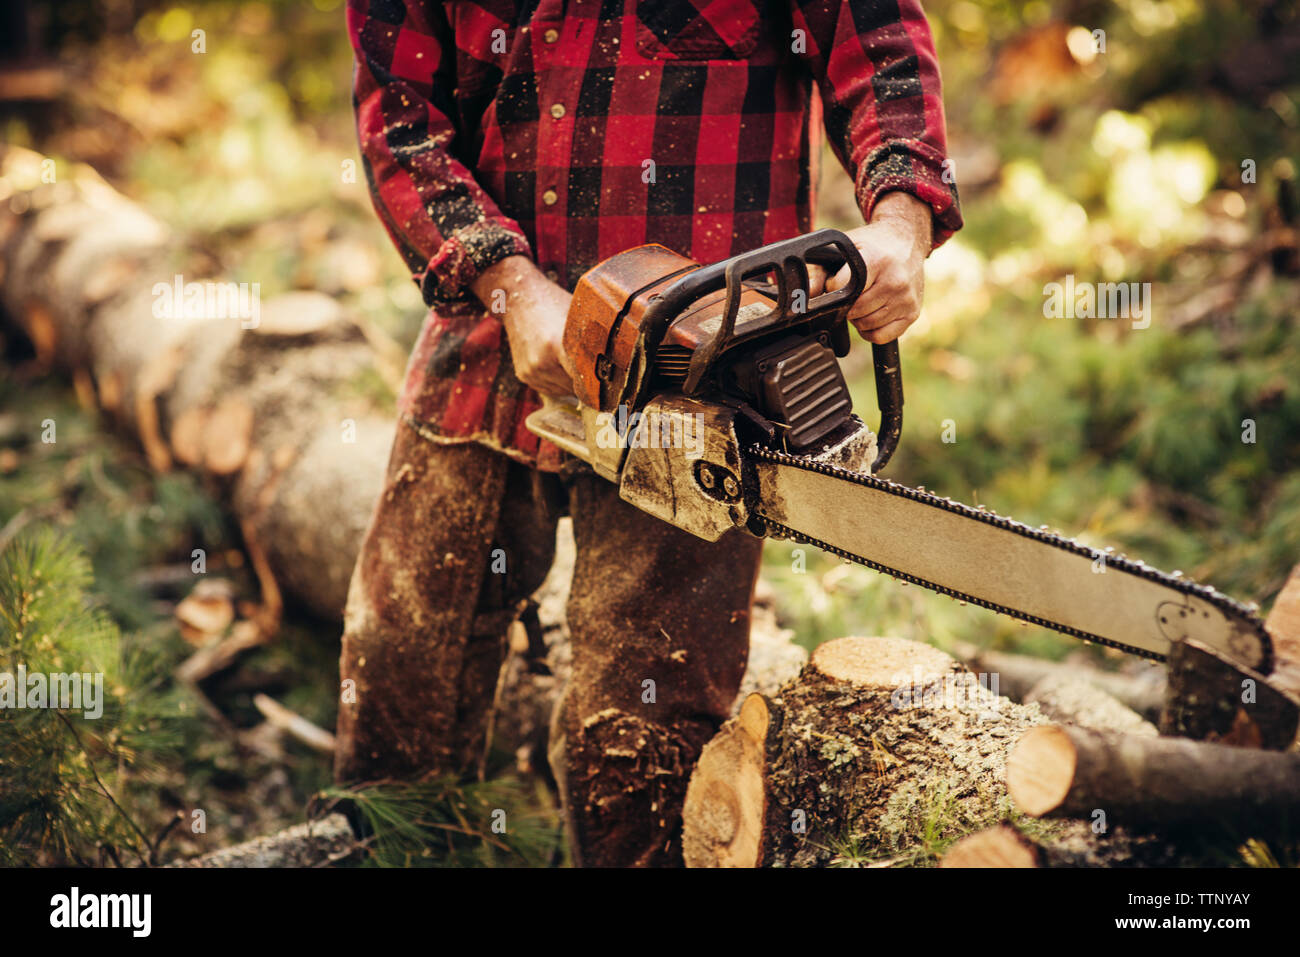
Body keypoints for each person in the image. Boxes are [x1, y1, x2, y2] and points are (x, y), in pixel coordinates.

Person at [337, 0, 962, 867]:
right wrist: (510, 285)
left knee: (642, 747)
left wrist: (901, 222)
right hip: (487, 348)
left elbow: (880, 43)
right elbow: (402, 121)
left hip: (703, 369)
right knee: (401, 680)